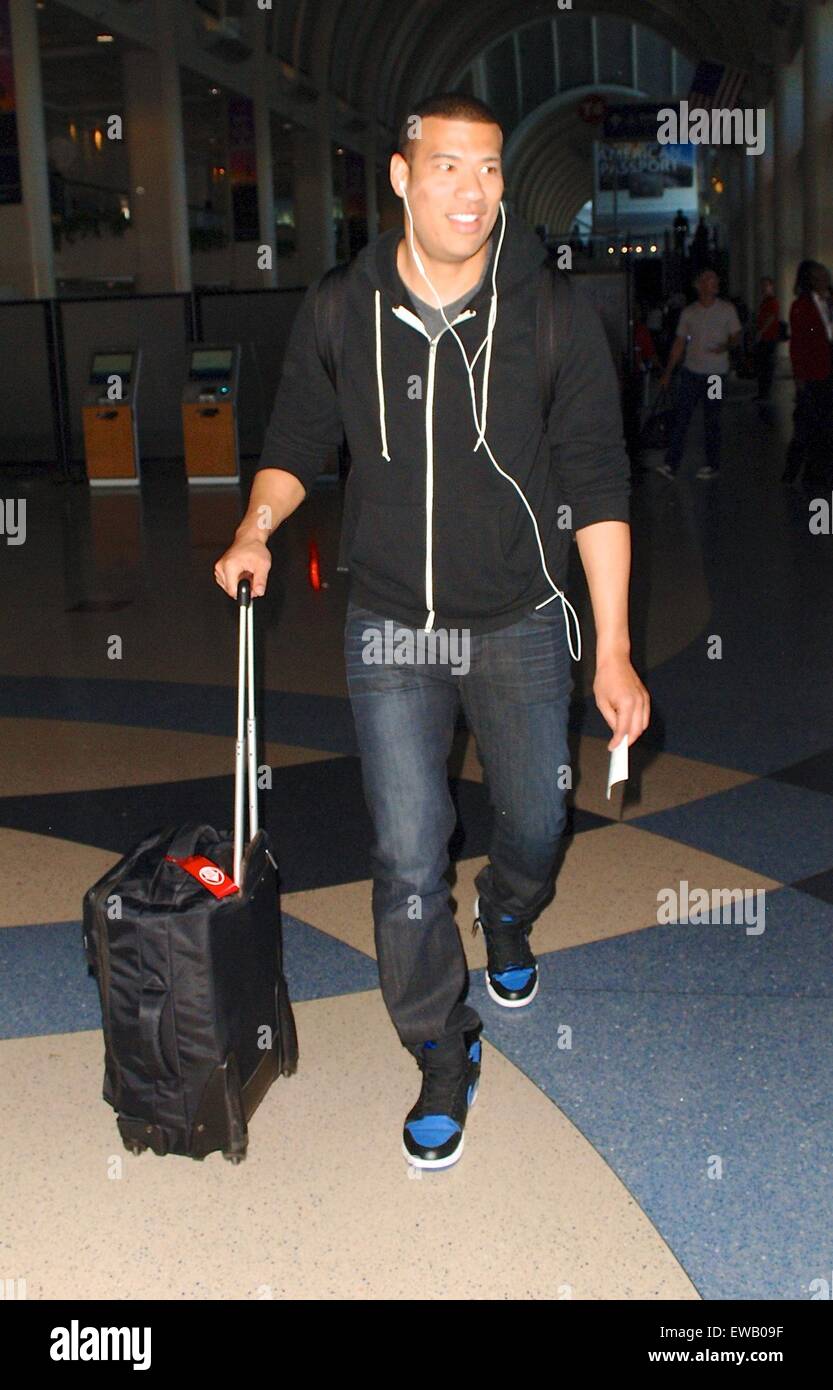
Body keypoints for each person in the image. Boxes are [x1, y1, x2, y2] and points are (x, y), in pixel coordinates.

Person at [214, 92, 650, 1171]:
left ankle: (506, 914)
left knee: (536, 824)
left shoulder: (551, 316)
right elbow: (294, 442)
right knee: (407, 856)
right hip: (391, 630)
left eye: (490, 169)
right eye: (449, 167)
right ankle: (440, 1052)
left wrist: (615, 643)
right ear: (402, 178)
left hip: (517, 622)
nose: (473, 189)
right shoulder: (338, 310)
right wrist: (259, 524)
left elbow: (596, 484)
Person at [654, 268, 742, 479]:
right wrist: (668, 372)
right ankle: (671, 464)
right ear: (699, 285)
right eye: (709, 279)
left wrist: (727, 346)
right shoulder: (689, 313)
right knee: (682, 417)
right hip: (691, 372)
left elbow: (736, 335)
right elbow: (679, 343)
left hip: (715, 374)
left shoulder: (726, 309)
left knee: (712, 418)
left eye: (715, 279)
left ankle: (712, 464)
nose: (714, 283)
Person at [782, 260, 833, 488]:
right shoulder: (801, 306)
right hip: (815, 371)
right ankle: (804, 472)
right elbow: (800, 341)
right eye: (818, 275)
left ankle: (823, 471)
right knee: (810, 424)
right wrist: (799, 376)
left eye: (825, 274)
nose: (824, 279)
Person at [753, 277, 780, 406]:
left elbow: (771, 318)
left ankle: (765, 393)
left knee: (766, 366)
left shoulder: (772, 301)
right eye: (762, 286)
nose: (763, 288)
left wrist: (761, 331)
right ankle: (762, 392)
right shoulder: (765, 301)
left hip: (768, 337)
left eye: (766, 285)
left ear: (771, 286)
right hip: (765, 337)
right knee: (762, 366)